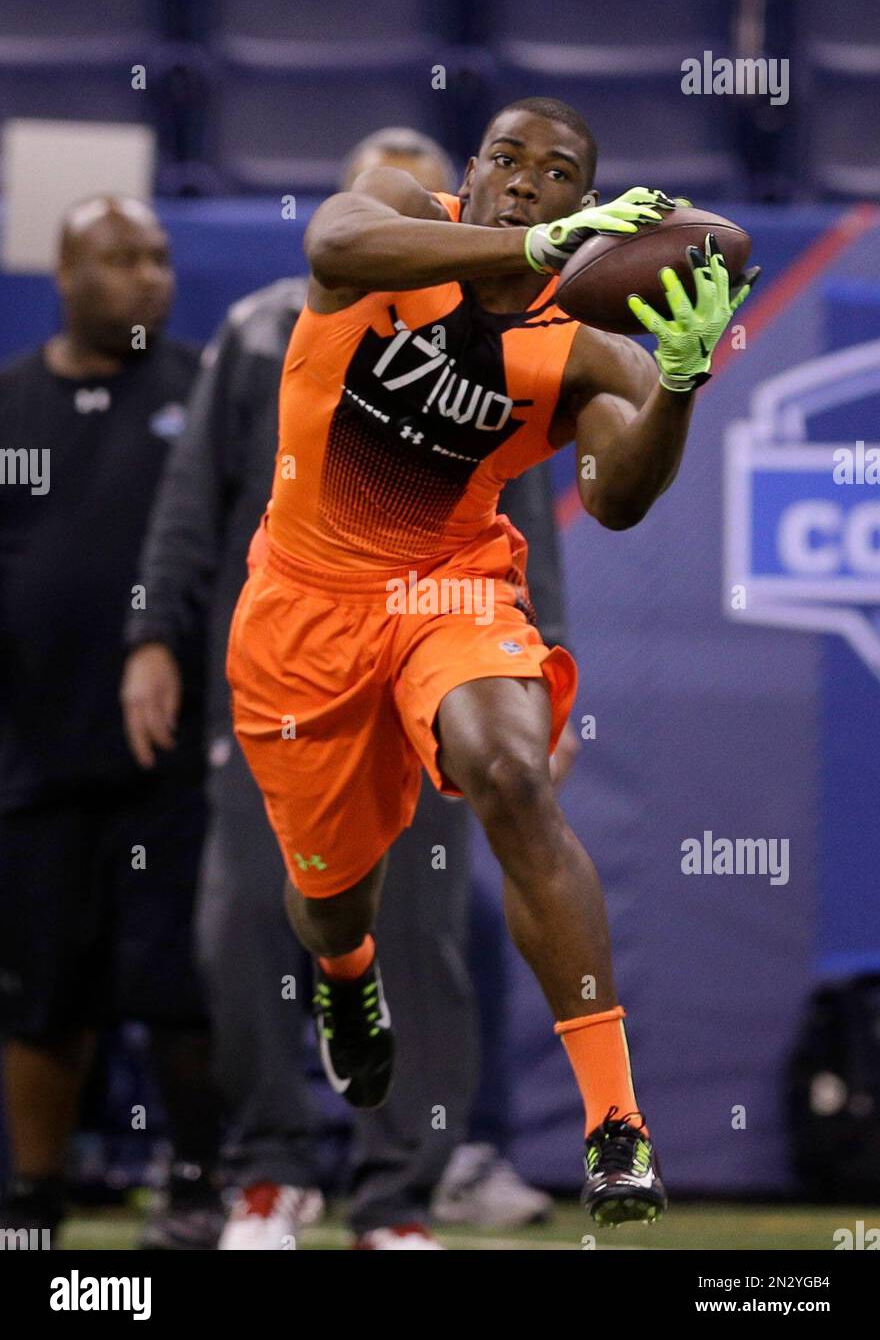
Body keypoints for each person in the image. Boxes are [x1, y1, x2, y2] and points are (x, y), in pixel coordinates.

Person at [226, 95, 760, 1228]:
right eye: (507, 159)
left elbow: (616, 501)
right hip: (304, 606)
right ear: (468, 174)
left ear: (592, 205)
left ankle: (615, 1126)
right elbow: (329, 242)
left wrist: (674, 381)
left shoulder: (583, 345)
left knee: (512, 776)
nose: (527, 178)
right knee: (327, 898)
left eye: (558, 173)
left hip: (450, 584)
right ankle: (345, 974)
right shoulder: (390, 219)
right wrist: (527, 248)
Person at [121, 127, 570, 1247]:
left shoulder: (518, 333)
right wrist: (153, 634)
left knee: (426, 941)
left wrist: (540, 660)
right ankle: (267, 1175)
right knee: (243, 923)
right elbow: (193, 496)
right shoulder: (270, 319)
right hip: (287, 658)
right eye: (387, 195)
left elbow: (520, 518)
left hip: (432, 649)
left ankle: (398, 1196)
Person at [0, 197, 225, 1248]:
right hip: (38, 759)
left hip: (174, 762)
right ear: (66, 274)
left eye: (161, 257)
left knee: (181, 983)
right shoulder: (11, 409)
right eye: (123, 259)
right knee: (43, 995)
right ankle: (35, 1201)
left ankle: (192, 1185)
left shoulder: (201, 391)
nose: (151, 276)